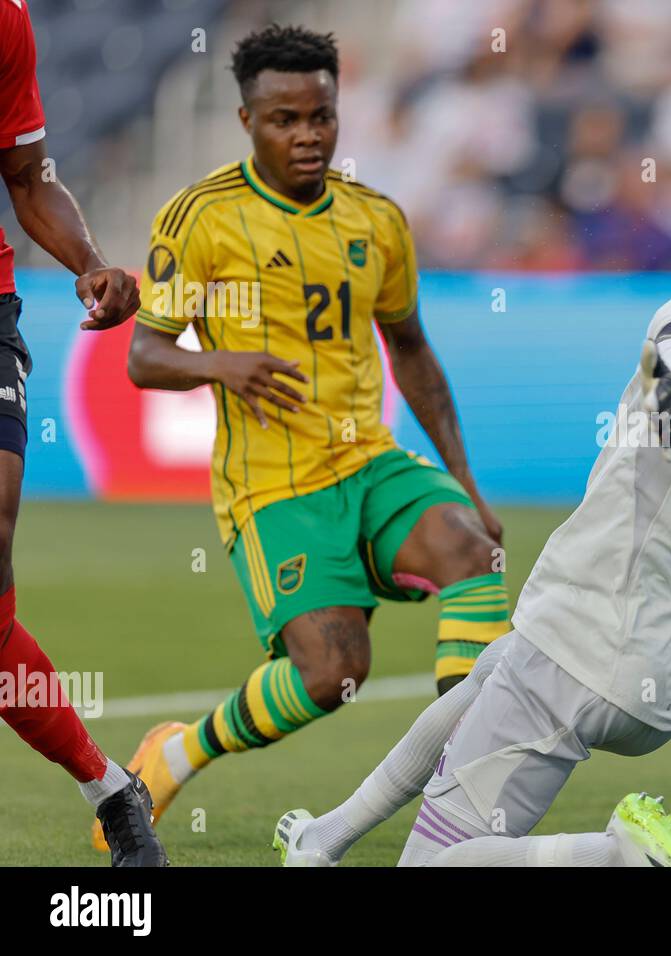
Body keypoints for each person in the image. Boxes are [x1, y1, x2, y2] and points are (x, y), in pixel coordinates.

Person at [275, 186, 671, 866]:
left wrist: (665, 420)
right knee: (486, 673)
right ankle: (326, 837)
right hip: (669, 677)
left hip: (586, 641)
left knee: (433, 866)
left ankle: (618, 857)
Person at [92, 24, 510, 851]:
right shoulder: (201, 219)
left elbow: (413, 349)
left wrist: (465, 480)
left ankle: (462, 786)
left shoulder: (375, 220)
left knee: (475, 551)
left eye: (321, 116)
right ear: (247, 121)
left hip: (371, 459)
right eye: (285, 119)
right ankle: (178, 751)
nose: (308, 135)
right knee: (332, 673)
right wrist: (221, 365)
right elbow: (143, 356)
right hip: (273, 485)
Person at [0, 0, 165, 866]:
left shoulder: (6, 22)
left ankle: (112, 795)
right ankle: (109, 786)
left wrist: (91, 260)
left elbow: (27, 180)